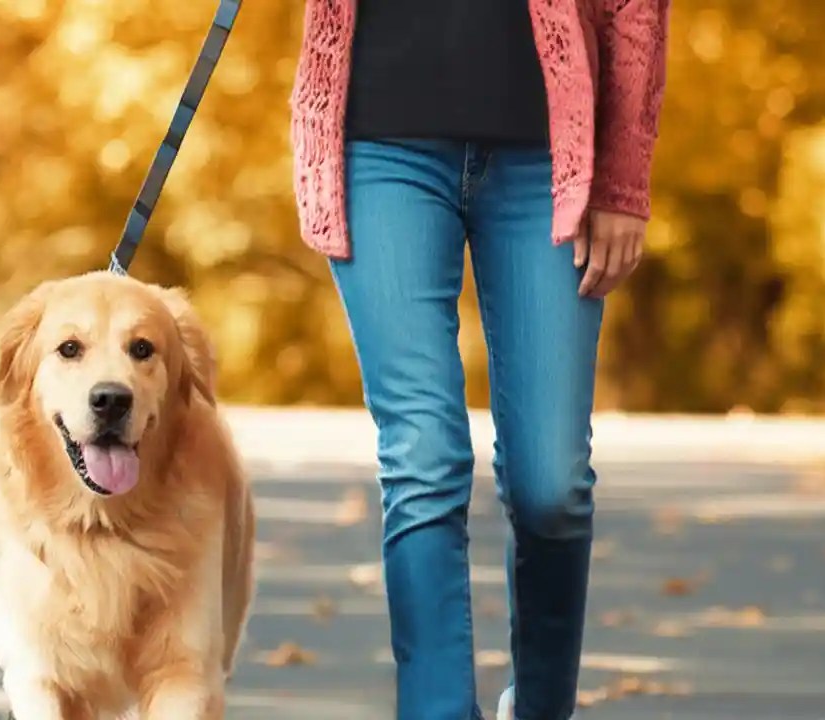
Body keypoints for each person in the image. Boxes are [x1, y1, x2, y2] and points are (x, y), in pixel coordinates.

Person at [288, 0, 670, 718]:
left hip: (548, 154)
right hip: (378, 145)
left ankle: (542, 706)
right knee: (423, 457)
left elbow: (634, 10)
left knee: (551, 486)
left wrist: (623, 178)